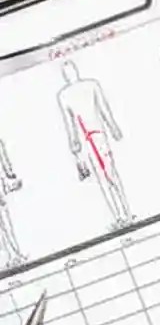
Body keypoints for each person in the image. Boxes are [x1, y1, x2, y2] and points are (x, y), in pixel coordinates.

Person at [57, 60, 132, 229]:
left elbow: (103, 109)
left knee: (109, 173)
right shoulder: (68, 95)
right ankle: (120, 215)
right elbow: (70, 122)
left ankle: (124, 214)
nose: (70, 74)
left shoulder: (89, 86)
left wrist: (113, 127)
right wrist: (74, 141)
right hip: (89, 138)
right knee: (104, 175)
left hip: (96, 135)